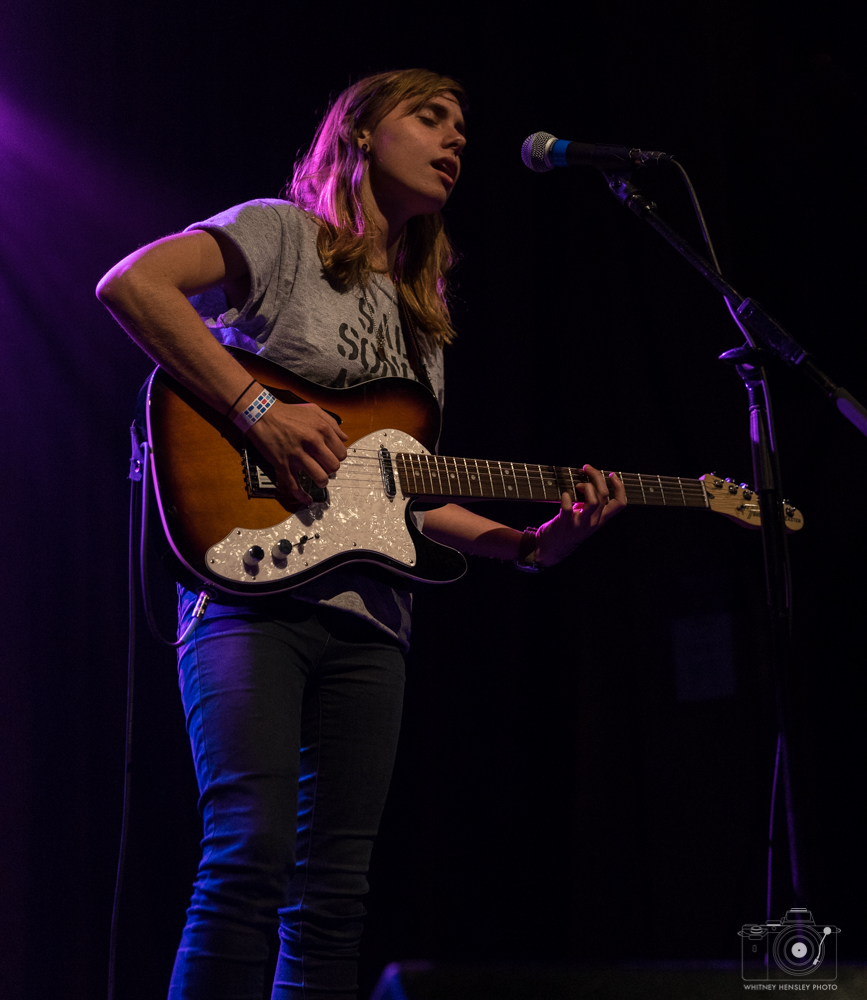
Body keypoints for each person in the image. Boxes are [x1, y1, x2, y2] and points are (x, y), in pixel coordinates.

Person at [97, 68, 626, 1000]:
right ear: (357, 135)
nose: (455, 138)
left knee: (333, 891)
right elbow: (132, 284)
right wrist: (258, 405)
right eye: (429, 117)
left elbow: (402, 498)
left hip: (372, 621)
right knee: (248, 854)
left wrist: (537, 544)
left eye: (462, 125)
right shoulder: (281, 234)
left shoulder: (425, 320)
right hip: (243, 591)